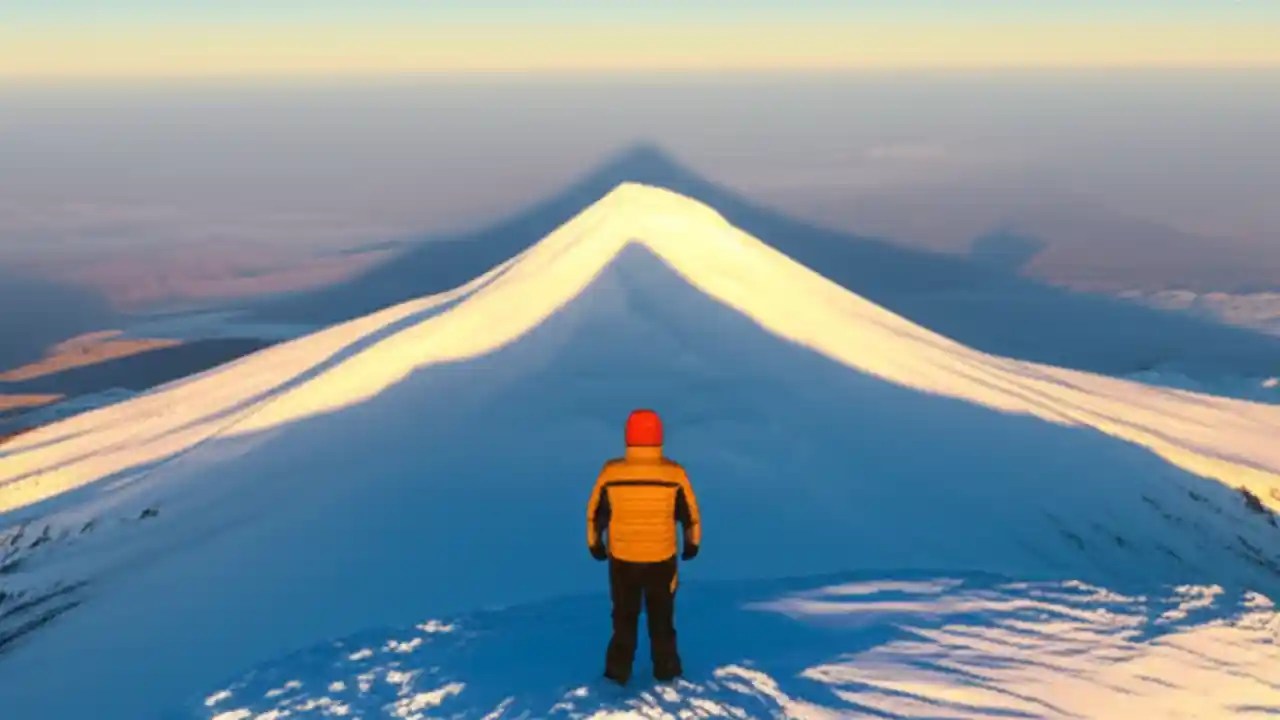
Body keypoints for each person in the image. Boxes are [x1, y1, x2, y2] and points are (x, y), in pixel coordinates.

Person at [586, 408, 702, 685]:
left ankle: (616, 676)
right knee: (662, 621)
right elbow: (690, 513)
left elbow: (595, 514)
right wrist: (692, 543)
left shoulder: (611, 472)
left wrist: (595, 545)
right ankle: (668, 674)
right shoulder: (674, 474)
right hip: (661, 560)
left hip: (623, 561)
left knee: (624, 620)